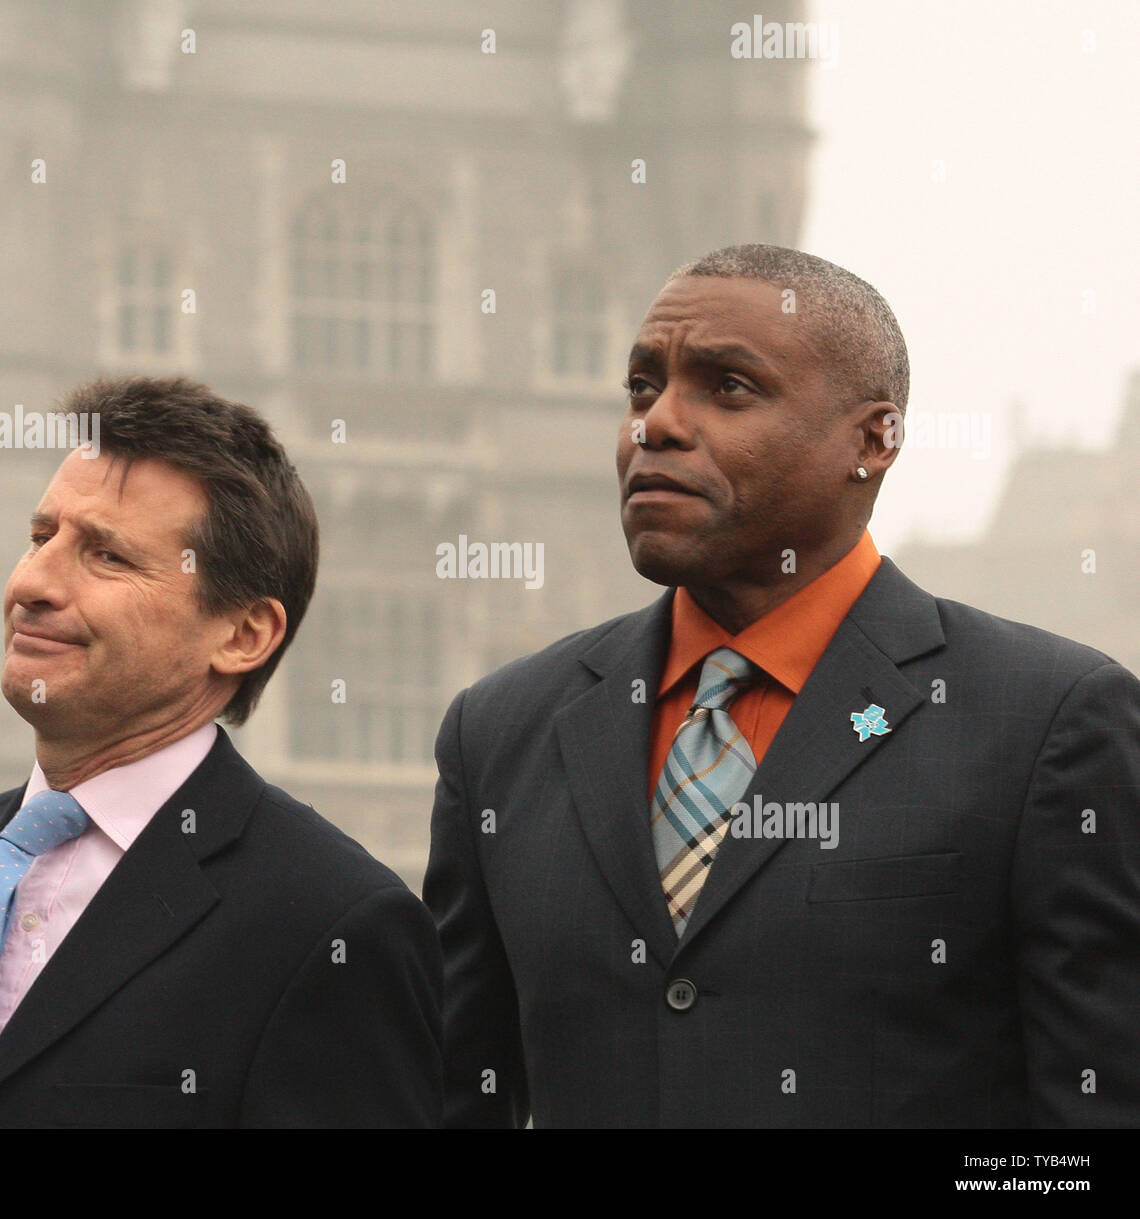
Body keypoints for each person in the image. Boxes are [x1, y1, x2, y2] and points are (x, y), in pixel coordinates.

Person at [423, 244, 1140, 1128]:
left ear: (873, 440)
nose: (657, 425)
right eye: (642, 388)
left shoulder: (1047, 723)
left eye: (727, 387)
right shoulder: (499, 732)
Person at [0, 376, 442, 1128]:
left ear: (242, 633)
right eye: (39, 537)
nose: (32, 581)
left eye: (106, 556)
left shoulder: (335, 925)